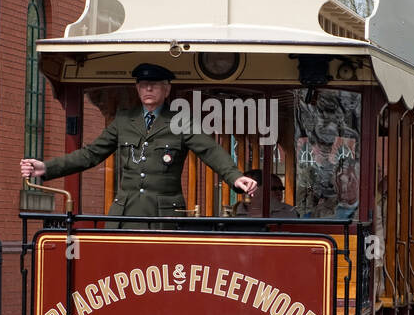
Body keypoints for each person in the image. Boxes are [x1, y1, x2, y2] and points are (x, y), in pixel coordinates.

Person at [20, 62, 258, 219]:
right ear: (137, 88)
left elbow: (210, 151)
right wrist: (46, 168)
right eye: (143, 85)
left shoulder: (180, 121)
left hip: (164, 218)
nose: (148, 89)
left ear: (166, 89)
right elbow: (90, 154)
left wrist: (235, 177)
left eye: (154, 85)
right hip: (125, 215)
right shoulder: (124, 120)